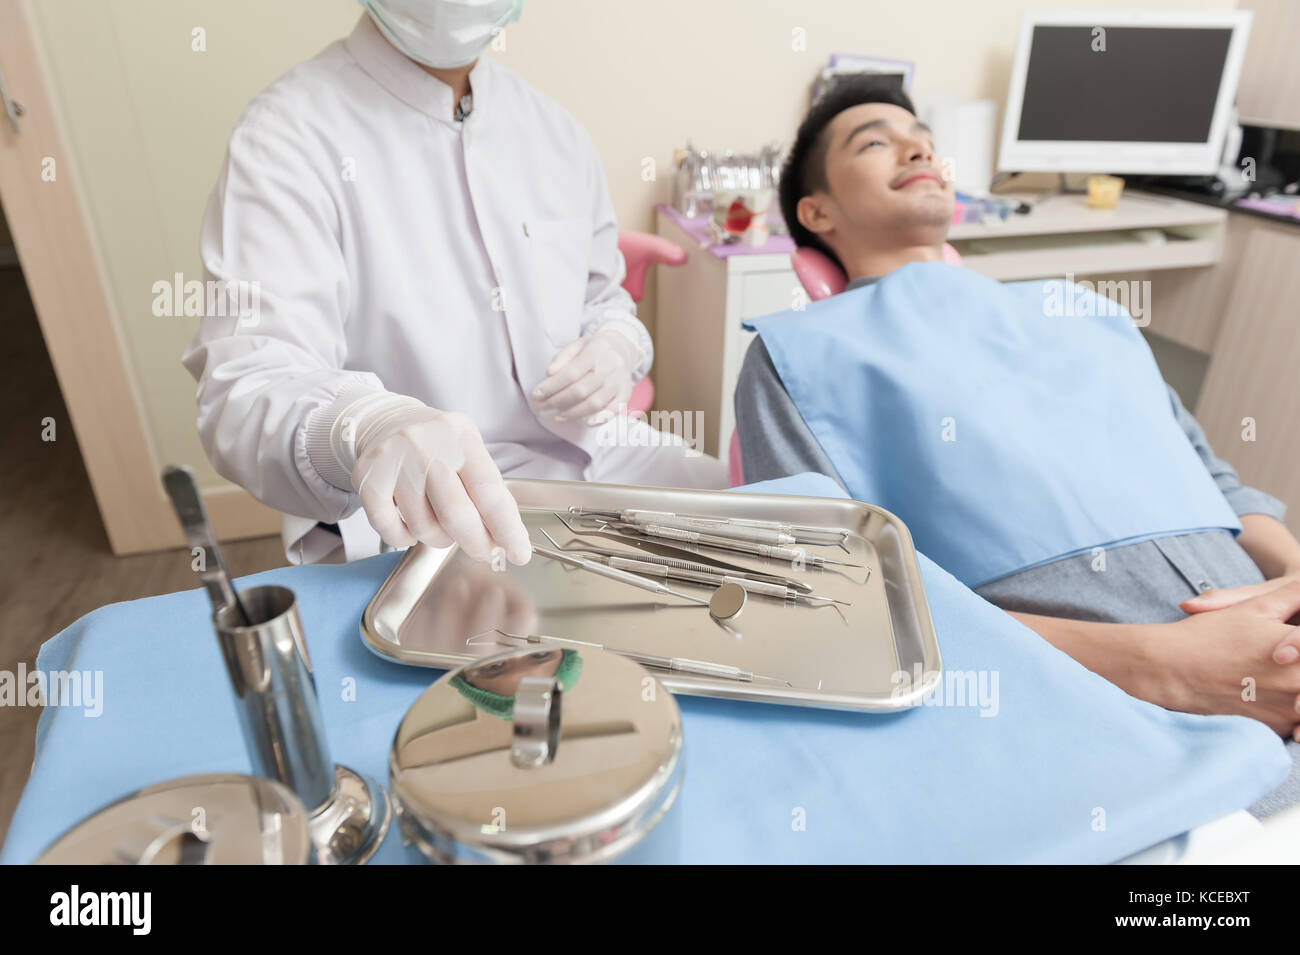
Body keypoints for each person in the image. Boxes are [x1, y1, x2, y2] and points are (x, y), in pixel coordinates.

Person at [735, 78, 1300, 813]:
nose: (918, 146)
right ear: (817, 213)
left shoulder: (1083, 312)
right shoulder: (799, 353)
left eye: (923, 136)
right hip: (1107, 706)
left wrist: (1290, 579)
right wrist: (1161, 666)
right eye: (875, 141)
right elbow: (834, 601)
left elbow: (1216, 480)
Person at [182, 0, 726, 566]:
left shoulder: (554, 132)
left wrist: (618, 344)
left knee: (760, 515)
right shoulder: (285, 140)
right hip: (417, 510)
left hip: (596, 453)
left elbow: (602, 298)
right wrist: (368, 425)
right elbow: (244, 388)